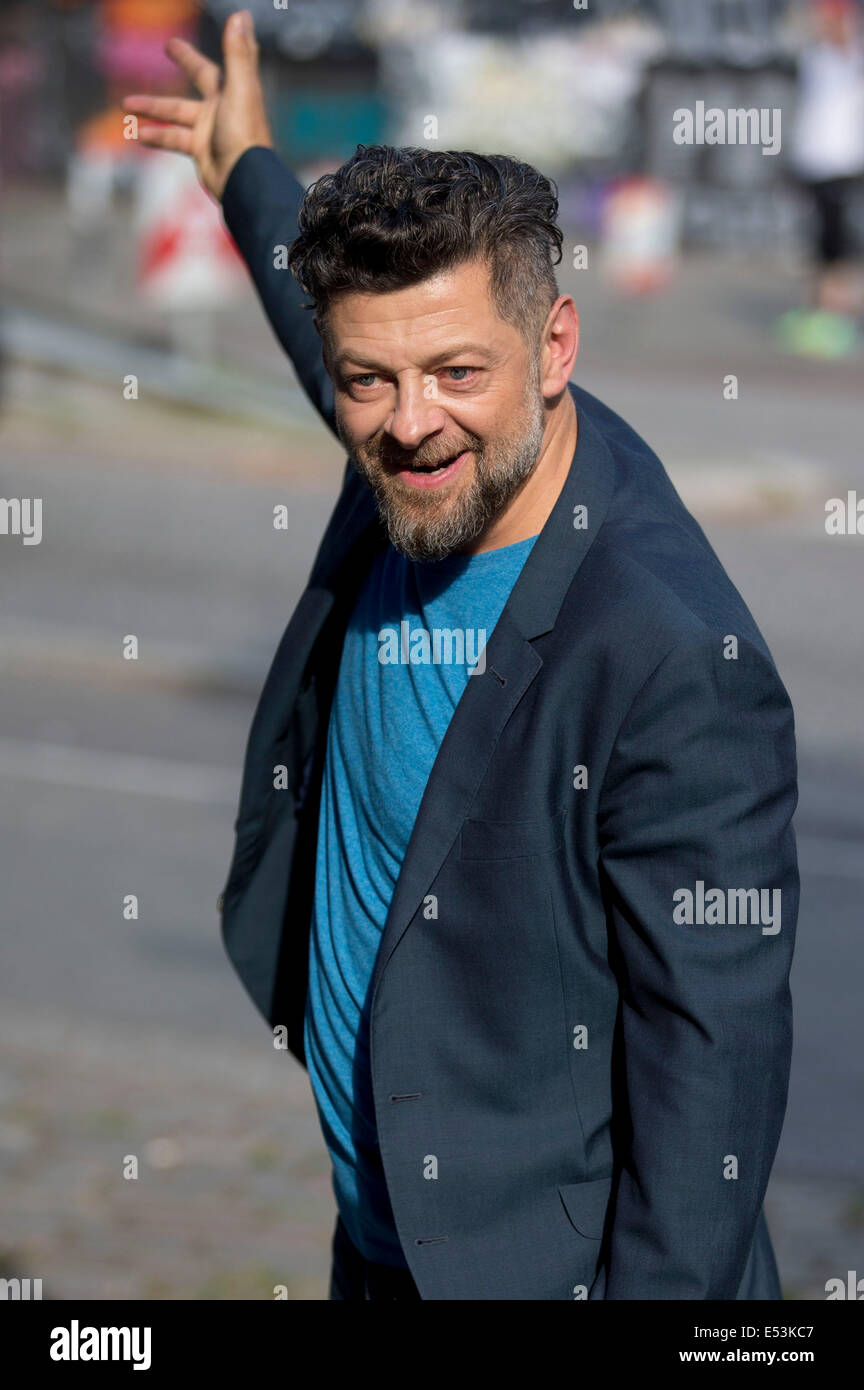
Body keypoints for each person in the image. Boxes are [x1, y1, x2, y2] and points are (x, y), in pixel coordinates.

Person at [124, 10, 799, 1301]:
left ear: (556, 348)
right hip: (382, 1236)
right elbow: (337, 321)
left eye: (452, 371)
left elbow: (711, 1064)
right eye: (367, 381)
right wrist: (249, 168)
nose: (408, 422)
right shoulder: (424, 450)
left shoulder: (663, 653)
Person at [782, 0, 864, 357]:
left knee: (840, 245)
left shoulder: (853, 60)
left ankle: (836, 316)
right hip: (814, 164)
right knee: (819, 244)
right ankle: (821, 313)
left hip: (844, 165)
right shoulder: (814, 59)